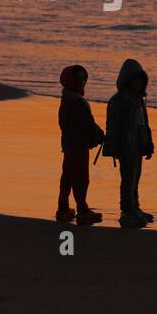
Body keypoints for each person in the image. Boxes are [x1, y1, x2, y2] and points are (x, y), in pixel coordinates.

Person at [104, 58, 155, 227]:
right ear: (127, 80)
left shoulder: (139, 99)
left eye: (140, 79)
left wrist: (149, 144)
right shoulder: (119, 100)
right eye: (135, 79)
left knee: (135, 179)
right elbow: (112, 125)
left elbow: (144, 124)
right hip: (125, 146)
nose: (138, 83)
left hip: (138, 145)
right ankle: (127, 211)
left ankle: (135, 208)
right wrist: (113, 146)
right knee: (127, 180)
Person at [56, 65, 105, 225]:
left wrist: (96, 133)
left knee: (69, 176)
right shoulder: (74, 101)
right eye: (79, 79)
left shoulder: (69, 99)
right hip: (77, 145)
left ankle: (63, 208)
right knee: (81, 178)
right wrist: (97, 135)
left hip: (71, 144)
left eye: (84, 79)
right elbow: (85, 124)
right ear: (71, 81)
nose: (82, 82)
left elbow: (84, 124)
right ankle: (82, 210)